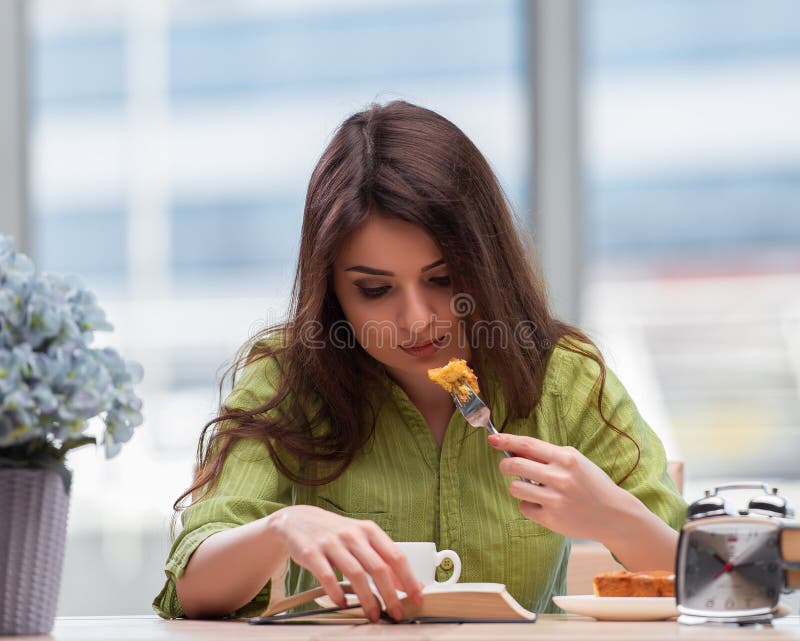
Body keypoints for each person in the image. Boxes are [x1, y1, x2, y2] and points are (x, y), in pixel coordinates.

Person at [153, 100, 686, 622]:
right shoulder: (289, 376)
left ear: (487, 262)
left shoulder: (563, 377)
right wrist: (282, 527)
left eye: (443, 279)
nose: (416, 321)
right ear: (332, 291)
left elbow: (715, 579)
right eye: (374, 289)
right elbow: (193, 591)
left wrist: (616, 520)